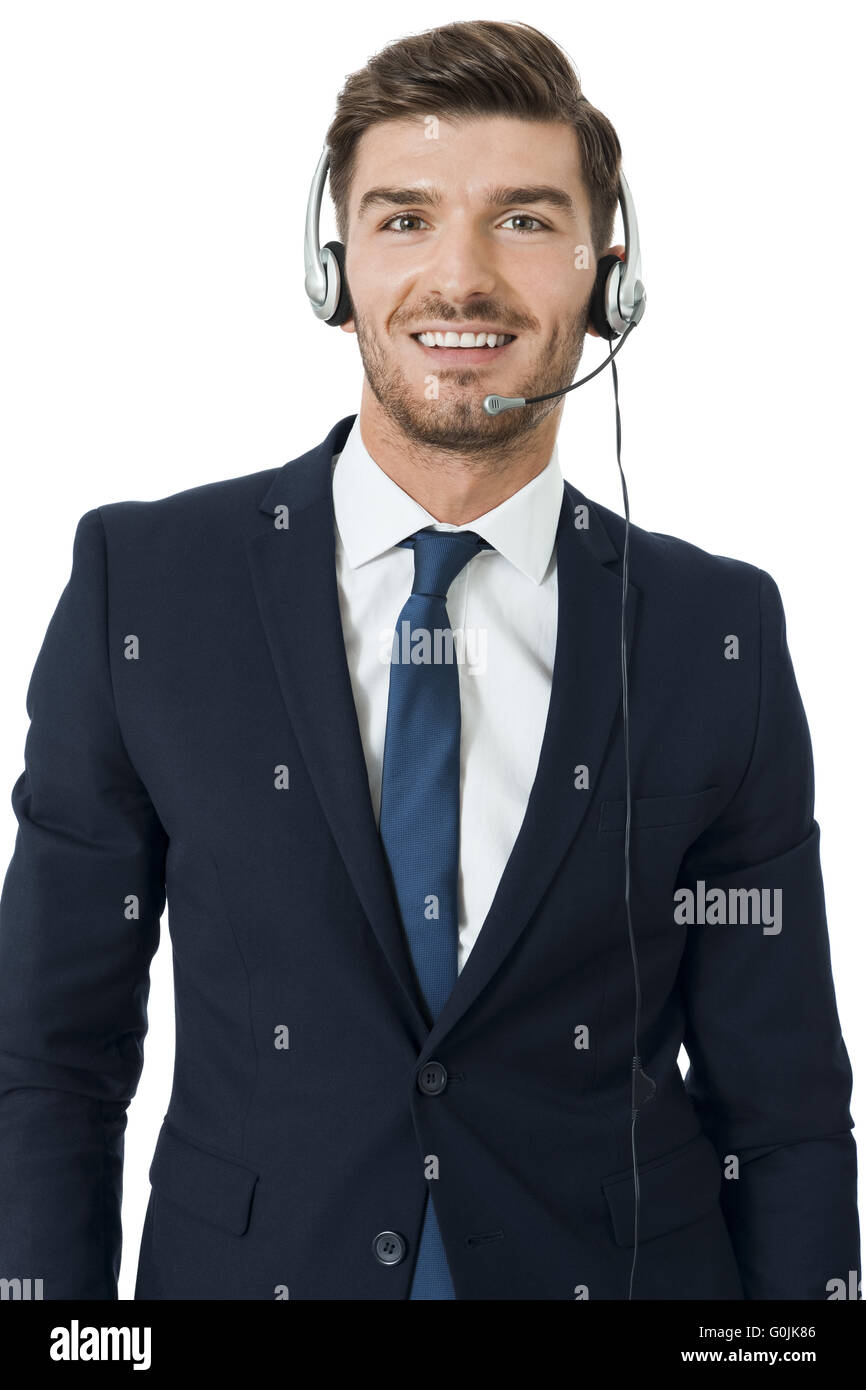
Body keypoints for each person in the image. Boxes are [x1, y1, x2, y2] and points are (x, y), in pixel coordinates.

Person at [0, 19, 858, 1301]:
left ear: (607, 272)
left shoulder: (711, 628)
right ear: (331, 266)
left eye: (522, 219)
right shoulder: (148, 585)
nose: (459, 280)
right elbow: (49, 1061)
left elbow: (780, 1105)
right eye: (405, 219)